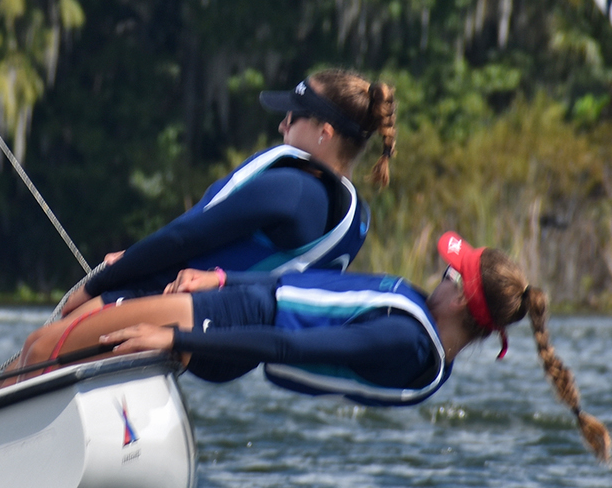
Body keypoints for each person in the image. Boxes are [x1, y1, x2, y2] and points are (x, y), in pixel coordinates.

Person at [21, 230, 612, 462]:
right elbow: (306, 289)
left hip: (236, 322)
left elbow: (289, 344)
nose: (439, 274)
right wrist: (223, 278)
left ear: (461, 302)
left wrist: (177, 336)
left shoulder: (406, 339)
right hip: (237, 308)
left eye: (449, 275)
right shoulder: (417, 326)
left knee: (51, 342)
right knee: (69, 352)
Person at [56, 69, 396, 317]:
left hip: (170, 304)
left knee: (38, 347)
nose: (282, 125)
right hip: (223, 338)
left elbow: (186, 238)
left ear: (324, 132)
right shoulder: (356, 220)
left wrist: (98, 282)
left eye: (293, 117)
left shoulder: (294, 188)